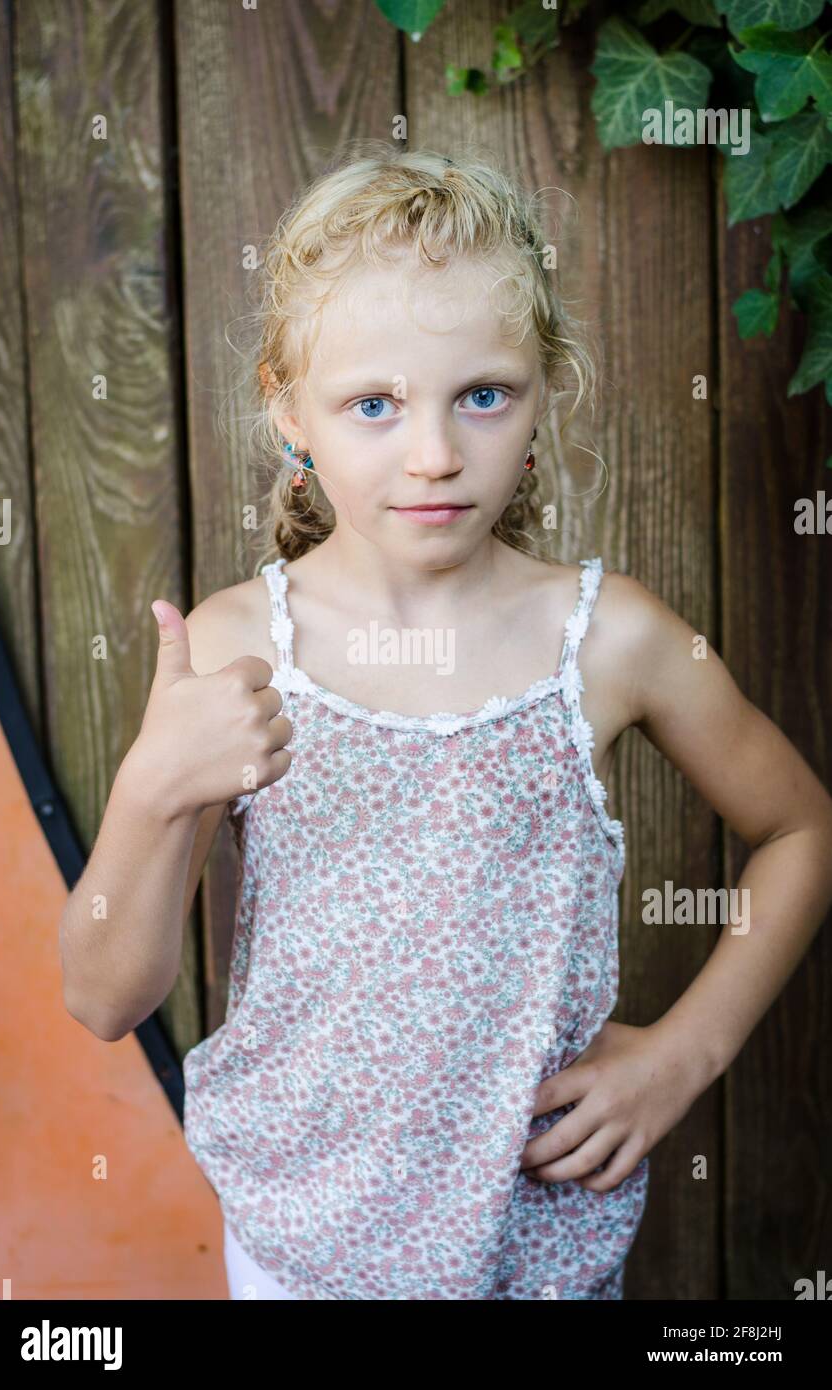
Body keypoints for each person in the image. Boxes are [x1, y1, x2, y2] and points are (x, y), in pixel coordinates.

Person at [59, 144, 832, 1301]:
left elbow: (801, 826)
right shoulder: (236, 650)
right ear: (291, 413)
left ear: (542, 385)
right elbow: (104, 995)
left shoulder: (609, 638)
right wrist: (151, 790)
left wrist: (687, 1052)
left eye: (483, 393)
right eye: (373, 404)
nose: (433, 453)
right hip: (294, 1251)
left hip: (543, 1258)